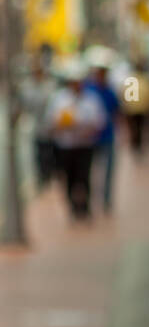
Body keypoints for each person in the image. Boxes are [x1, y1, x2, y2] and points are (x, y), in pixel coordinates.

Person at [46, 61, 104, 220]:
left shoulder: (92, 99)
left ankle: (85, 207)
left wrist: (87, 129)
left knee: (84, 176)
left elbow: (100, 121)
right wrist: (61, 126)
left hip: (85, 146)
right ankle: (72, 207)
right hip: (66, 146)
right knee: (69, 177)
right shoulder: (59, 99)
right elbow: (51, 122)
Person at [85, 64, 120, 212]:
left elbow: (117, 112)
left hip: (107, 137)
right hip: (91, 138)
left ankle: (106, 199)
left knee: (108, 170)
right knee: (90, 170)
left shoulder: (110, 91)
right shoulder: (89, 91)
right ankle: (90, 199)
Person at [19, 56, 58, 188]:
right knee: (39, 152)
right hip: (37, 126)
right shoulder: (28, 87)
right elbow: (25, 104)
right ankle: (42, 176)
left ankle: (49, 174)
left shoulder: (50, 85)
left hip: (51, 126)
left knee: (50, 152)